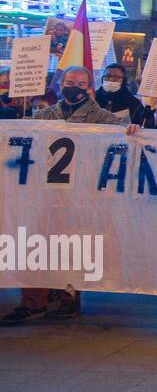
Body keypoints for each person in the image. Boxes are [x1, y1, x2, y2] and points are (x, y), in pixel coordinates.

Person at [1, 66, 139, 325]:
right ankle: (33, 302)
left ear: (89, 87)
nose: (74, 86)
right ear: (61, 84)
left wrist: (130, 131)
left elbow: (123, 133)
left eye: (80, 82)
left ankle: (69, 297)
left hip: (79, 195)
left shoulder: (102, 118)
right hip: (44, 193)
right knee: (35, 244)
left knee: (73, 245)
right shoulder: (45, 115)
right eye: (69, 81)